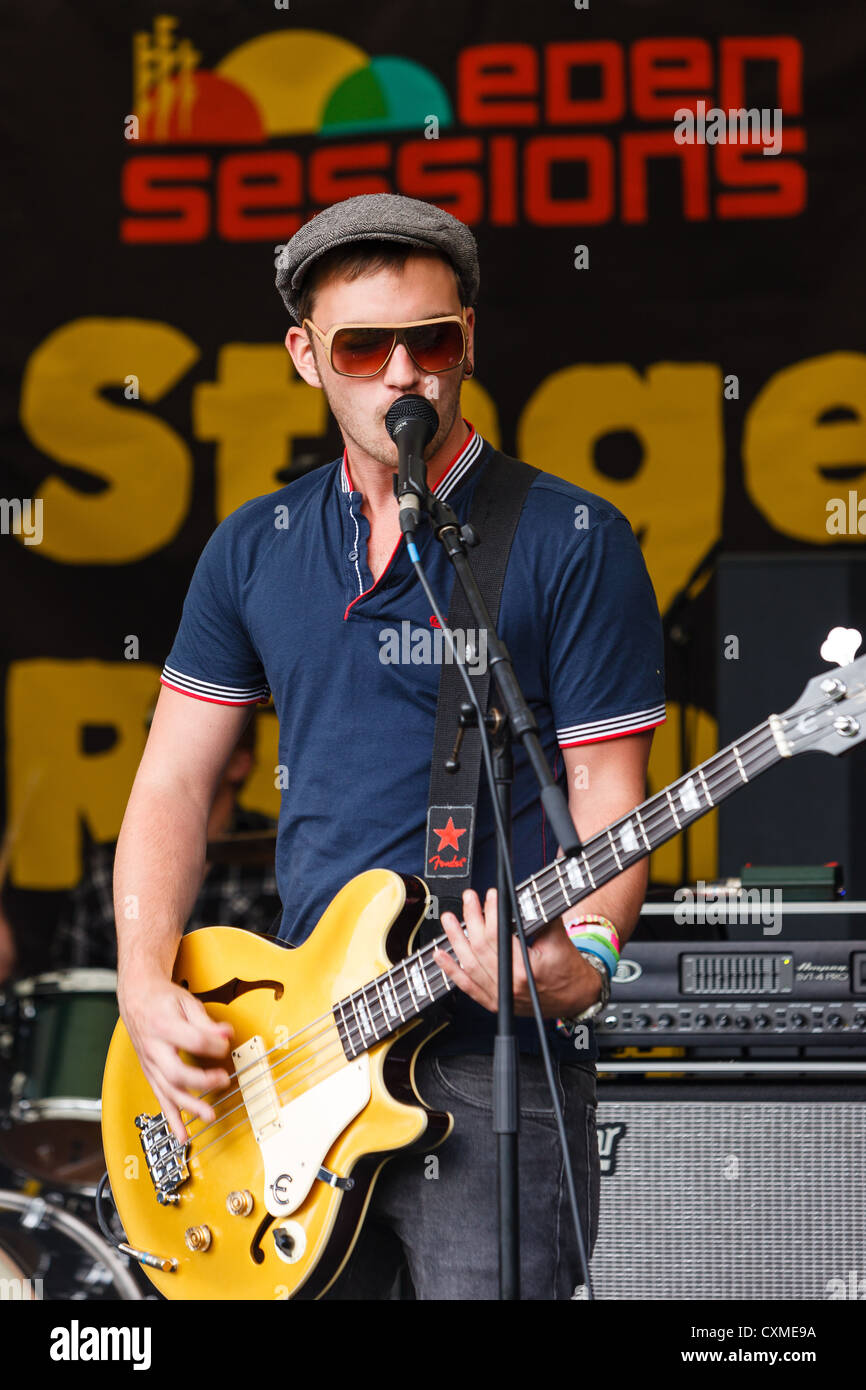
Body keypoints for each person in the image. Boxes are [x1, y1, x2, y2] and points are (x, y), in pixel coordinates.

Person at [114, 193, 665, 1300]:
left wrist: (583, 962)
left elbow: (608, 794)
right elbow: (175, 781)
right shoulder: (252, 549)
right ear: (306, 358)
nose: (401, 372)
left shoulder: (566, 538)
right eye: (364, 346)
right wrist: (140, 978)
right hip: (294, 1058)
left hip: (488, 1063)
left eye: (432, 341)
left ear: (468, 343)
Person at [56, 707, 280, 969]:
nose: (168, 751)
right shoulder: (108, 865)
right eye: (156, 739)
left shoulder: (282, 853)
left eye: (192, 735)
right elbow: (77, 993)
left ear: (239, 764)